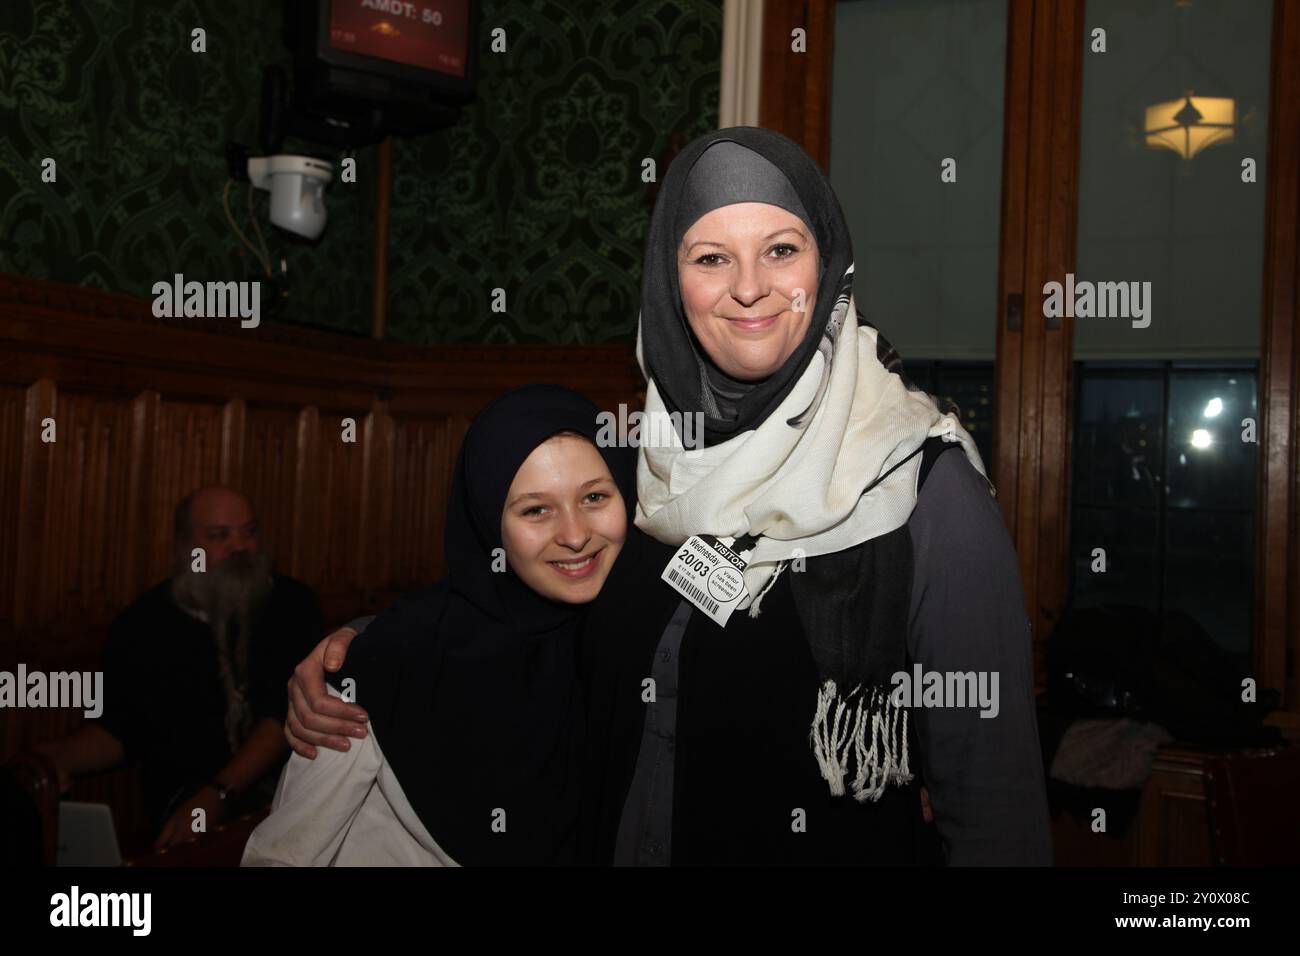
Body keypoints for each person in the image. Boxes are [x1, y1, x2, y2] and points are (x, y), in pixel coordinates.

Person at [288, 127, 1052, 866]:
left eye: (781, 250)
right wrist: (368, 646)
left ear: (830, 266)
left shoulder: (920, 485)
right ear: (667, 281)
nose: (749, 287)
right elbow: (528, 607)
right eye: (711, 257)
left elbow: (995, 806)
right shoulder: (643, 466)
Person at [241, 385, 635, 866]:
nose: (575, 536)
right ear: (489, 523)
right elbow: (279, 858)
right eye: (536, 509)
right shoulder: (389, 662)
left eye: (594, 496)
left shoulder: (630, 643)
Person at [35, 485, 322, 848]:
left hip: (281, 812)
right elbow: (122, 730)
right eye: (219, 536)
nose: (240, 547)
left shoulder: (291, 606)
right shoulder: (144, 623)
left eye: (249, 533)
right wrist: (53, 759)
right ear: (185, 547)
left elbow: (284, 716)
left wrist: (218, 794)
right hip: (181, 818)